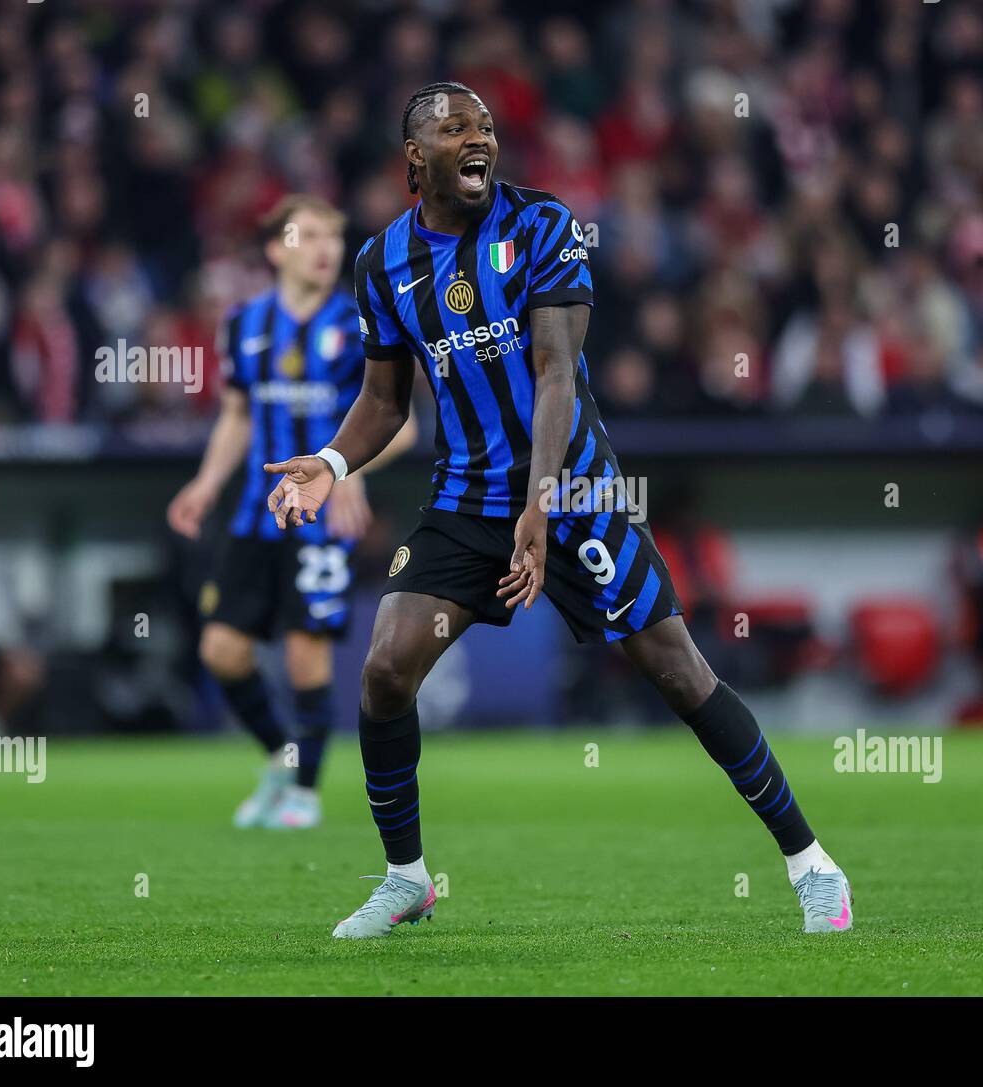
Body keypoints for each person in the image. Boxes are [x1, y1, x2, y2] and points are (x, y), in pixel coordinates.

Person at [262, 82, 853, 937]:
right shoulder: (380, 263)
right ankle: (406, 878)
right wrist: (328, 460)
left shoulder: (542, 227)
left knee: (678, 669)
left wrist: (540, 508)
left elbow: (553, 374)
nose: (478, 139)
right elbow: (386, 401)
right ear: (413, 160)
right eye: (455, 128)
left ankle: (811, 862)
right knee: (387, 667)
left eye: (488, 127)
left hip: (571, 488)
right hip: (466, 498)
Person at [167, 193, 416, 829]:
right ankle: (282, 757)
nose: (326, 249)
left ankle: (305, 791)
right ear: (277, 250)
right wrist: (205, 482)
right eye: (308, 236)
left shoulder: (362, 322)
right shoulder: (243, 323)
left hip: (315, 513)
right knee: (222, 649)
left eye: (333, 237)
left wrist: (346, 471)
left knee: (308, 652)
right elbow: (236, 417)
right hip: (254, 513)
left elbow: (404, 427)